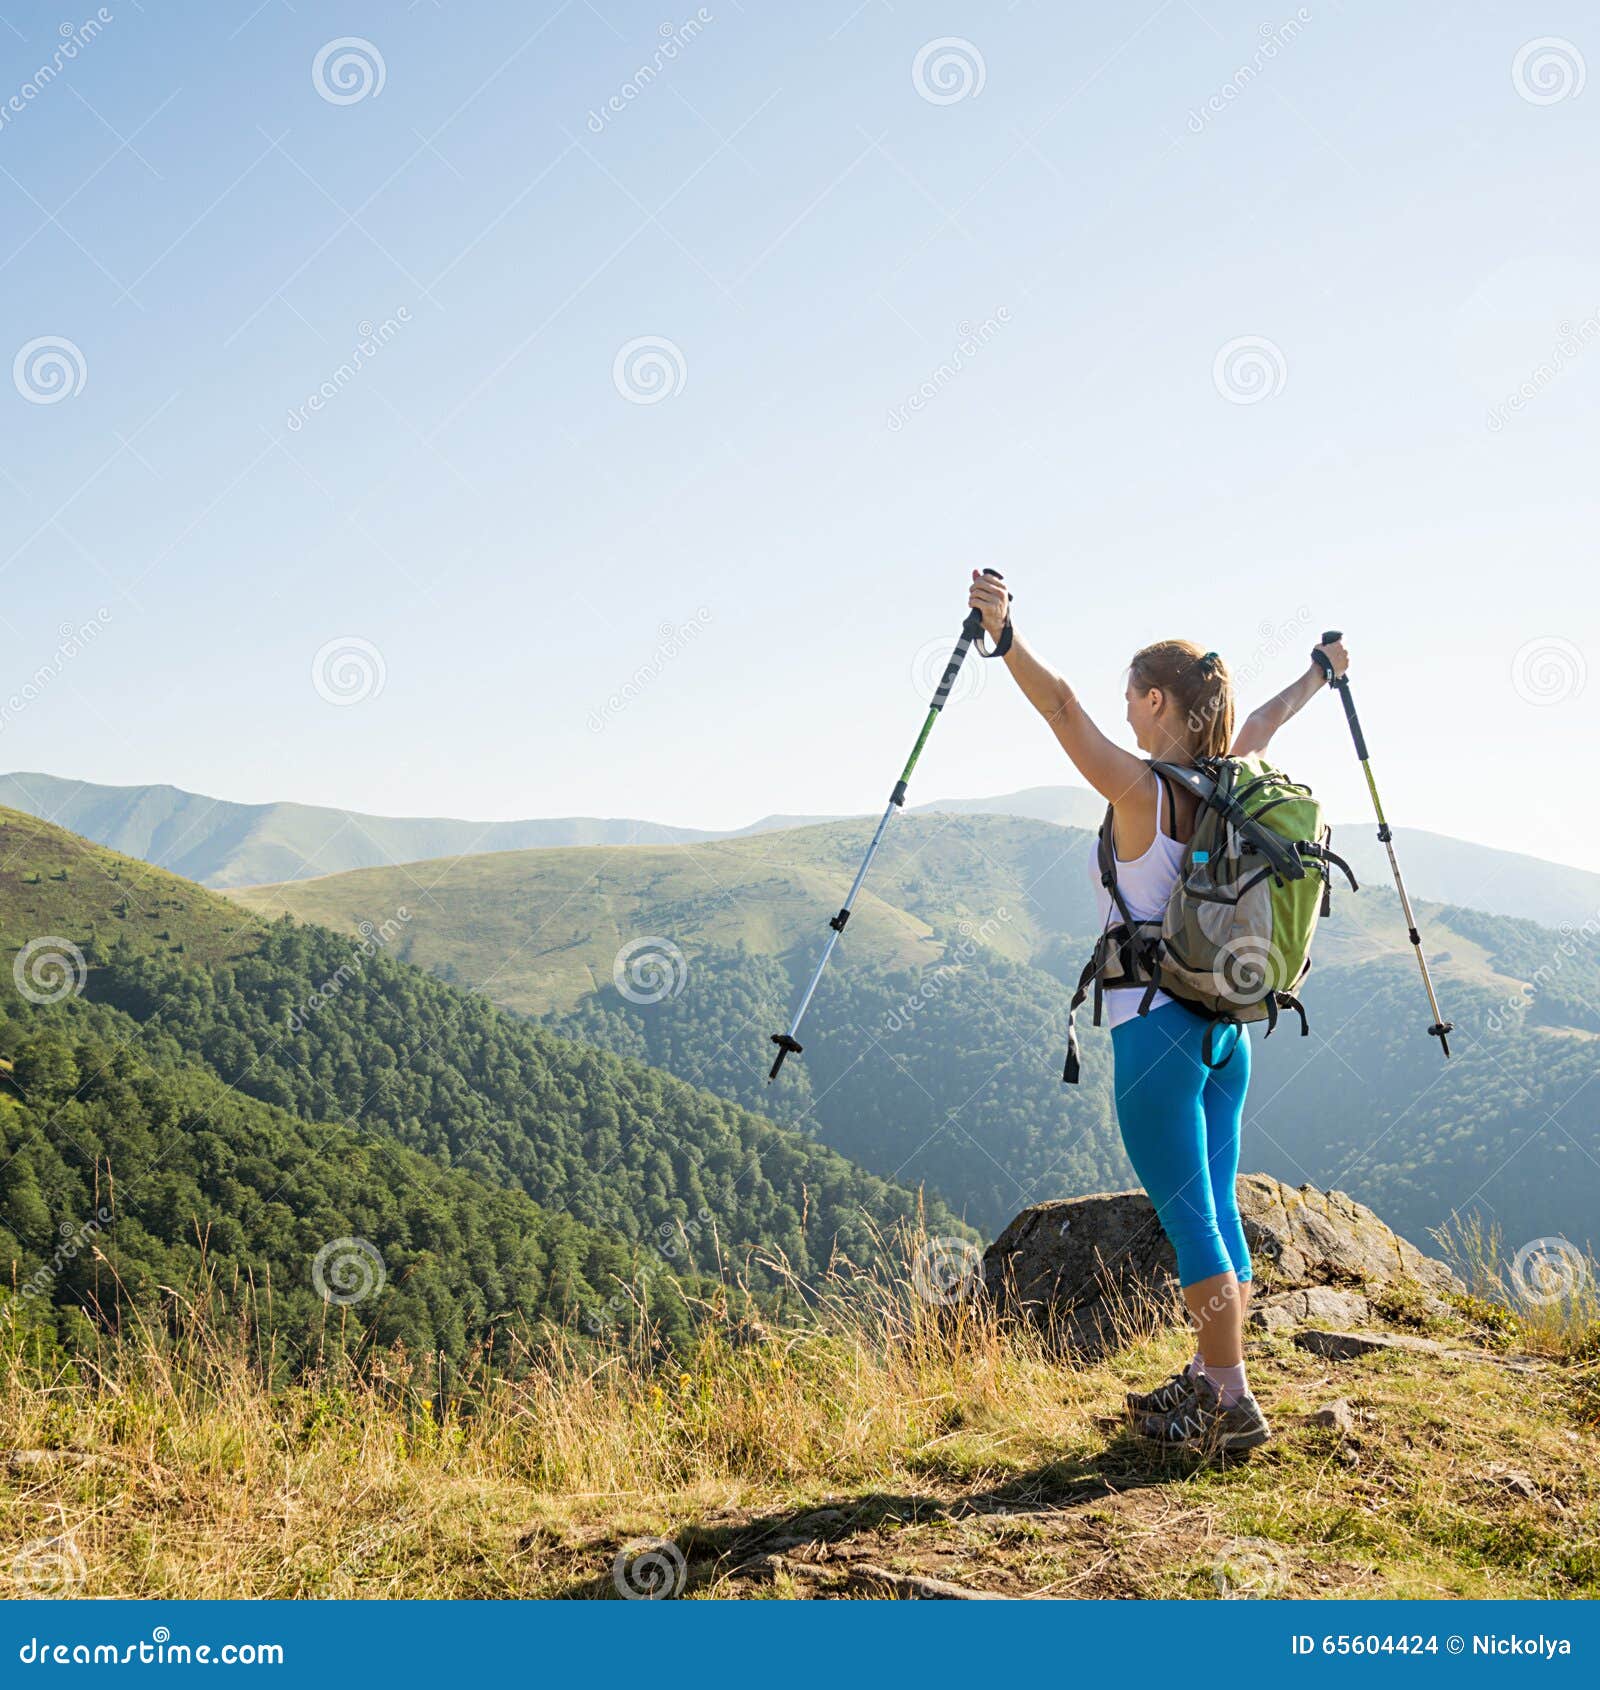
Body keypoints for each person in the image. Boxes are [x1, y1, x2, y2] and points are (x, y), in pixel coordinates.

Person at [966, 570, 1349, 1452]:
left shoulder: (1143, 794)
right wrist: (1319, 675)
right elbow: (1267, 723)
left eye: (1131, 702)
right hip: (1226, 1035)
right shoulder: (1232, 781)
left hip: (1157, 1035)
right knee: (1211, 1205)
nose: (1122, 717)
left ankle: (1226, 1402)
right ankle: (1212, 1379)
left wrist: (1006, 634)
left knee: (1190, 1219)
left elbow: (1061, 710)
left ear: (1153, 699)